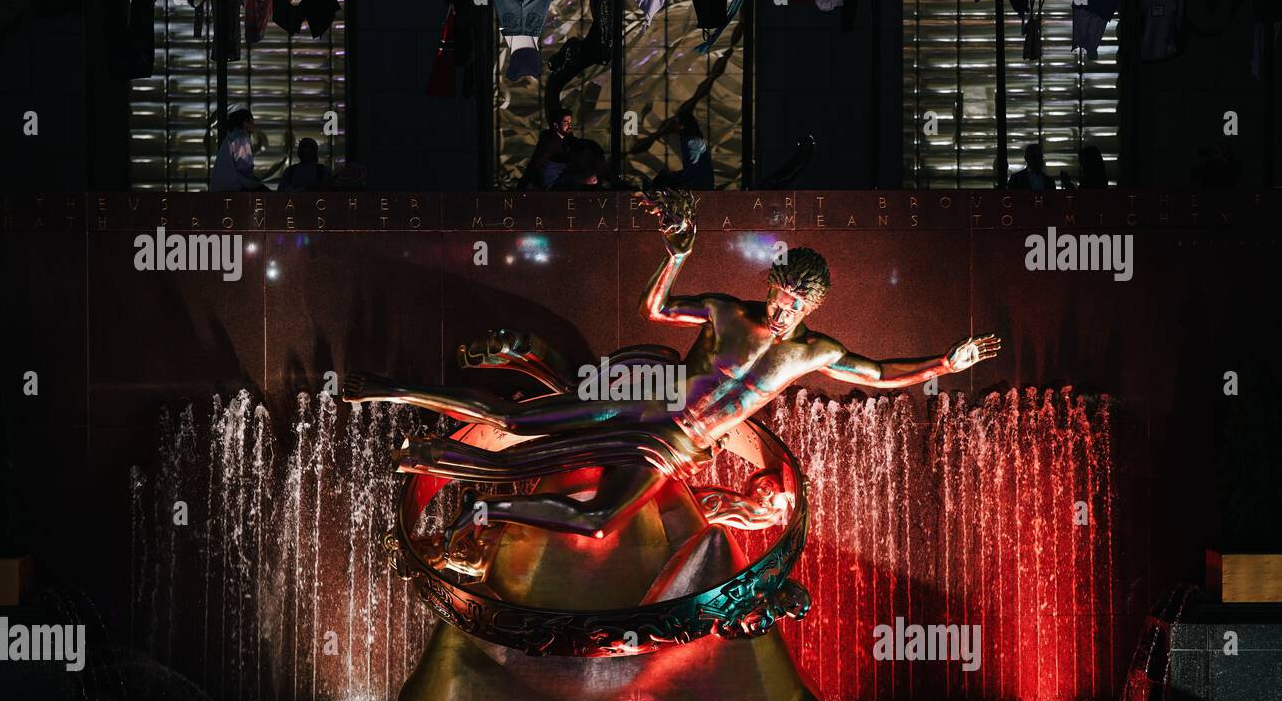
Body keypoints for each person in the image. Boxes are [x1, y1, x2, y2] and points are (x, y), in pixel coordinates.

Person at [343, 190, 1000, 550]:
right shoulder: (727, 310)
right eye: (776, 292)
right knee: (516, 418)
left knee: (599, 522)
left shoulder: (814, 353)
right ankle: (386, 390)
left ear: (811, 307)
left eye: (792, 303)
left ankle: (484, 510)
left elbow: (880, 372)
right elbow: (653, 307)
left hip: (677, 441)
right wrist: (677, 255)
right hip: (642, 396)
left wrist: (948, 359)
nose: (778, 305)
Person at [652, 110, 714, 191]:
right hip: (698, 182)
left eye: (676, 122)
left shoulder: (692, 142)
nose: (673, 124)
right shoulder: (689, 140)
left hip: (700, 185)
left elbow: (692, 171)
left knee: (663, 179)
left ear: (683, 125)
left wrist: (675, 177)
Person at [211, 109, 267, 192]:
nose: (254, 124)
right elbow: (244, 166)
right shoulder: (241, 138)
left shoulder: (230, 137)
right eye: (252, 121)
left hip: (220, 187)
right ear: (245, 123)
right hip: (233, 187)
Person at [520, 107, 575, 190]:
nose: (570, 125)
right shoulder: (551, 142)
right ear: (556, 125)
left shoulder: (561, 140)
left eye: (570, 122)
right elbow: (537, 163)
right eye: (566, 122)